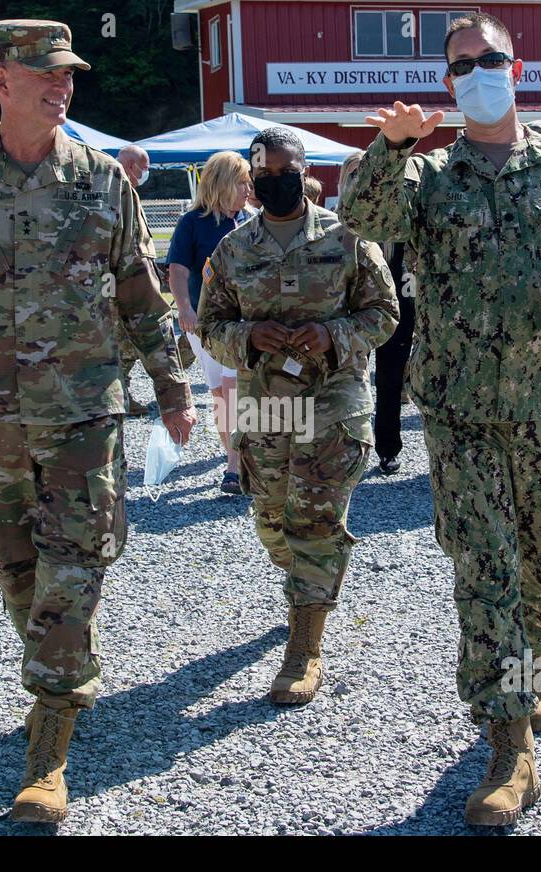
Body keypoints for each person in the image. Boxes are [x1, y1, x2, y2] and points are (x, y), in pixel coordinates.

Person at [339, 13, 541, 827]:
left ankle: (536, 663)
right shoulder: (427, 176)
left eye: (490, 59)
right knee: (486, 571)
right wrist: (391, 147)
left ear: (518, 69)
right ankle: (509, 745)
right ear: (448, 82)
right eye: (461, 64)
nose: (477, 71)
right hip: (462, 412)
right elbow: (360, 219)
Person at [0, 19, 197, 823]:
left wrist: (173, 387)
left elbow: (141, 292)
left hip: (84, 417)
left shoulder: (102, 180)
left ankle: (48, 744)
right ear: (1, 80)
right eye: (47, 74)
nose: (63, 86)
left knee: (72, 571)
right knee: (19, 569)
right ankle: (61, 668)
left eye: (69, 75)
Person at [197, 127, 398, 705]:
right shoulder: (233, 250)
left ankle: (304, 646)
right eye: (262, 176)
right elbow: (210, 326)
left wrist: (334, 334)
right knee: (272, 520)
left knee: (315, 522)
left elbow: (384, 313)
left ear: (305, 173)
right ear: (251, 181)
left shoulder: (347, 239)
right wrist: (248, 337)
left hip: (332, 403)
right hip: (266, 406)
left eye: (285, 173)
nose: (273, 183)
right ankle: (304, 576)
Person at [167, 150, 253, 494]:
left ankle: (234, 467)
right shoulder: (192, 222)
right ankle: (234, 456)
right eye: (242, 182)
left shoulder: (252, 221)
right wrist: (184, 309)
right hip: (203, 324)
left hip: (242, 324)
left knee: (232, 389)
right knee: (219, 392)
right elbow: (177, 270)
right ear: (223, 183)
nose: (248, 189)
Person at [339, 150, 417, 475]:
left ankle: (388, 447)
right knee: (350, 379)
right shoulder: (337, 223)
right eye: (356, 174)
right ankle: (348, 447)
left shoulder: (399, 219)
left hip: (398, 307)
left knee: (390, 379)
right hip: (352, 309)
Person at [116, 144, 155, 415]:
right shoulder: (115, 192)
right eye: (145, 167)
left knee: (127, 344)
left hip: (133, 279)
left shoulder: (126, 191)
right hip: (124, 283)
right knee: (126, 344)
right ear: (132, 167)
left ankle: (123, 396)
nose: (147, 172)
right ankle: (121, 397)